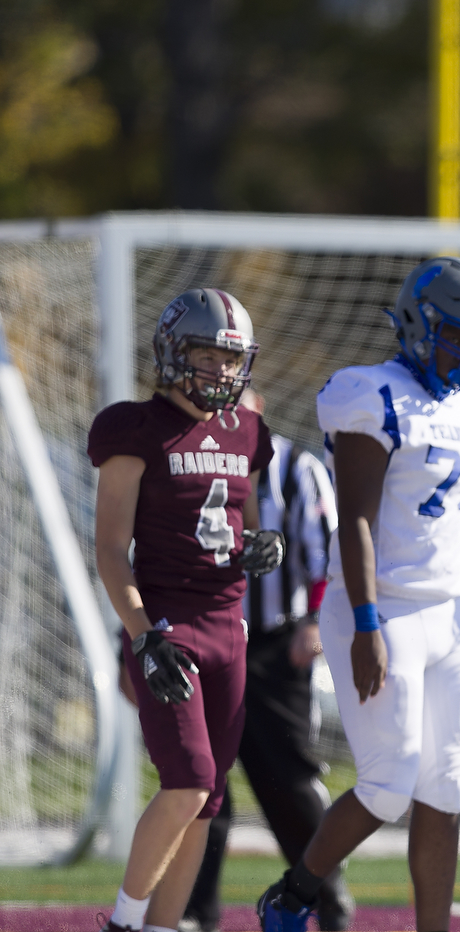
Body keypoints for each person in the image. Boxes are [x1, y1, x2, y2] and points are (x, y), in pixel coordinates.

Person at [257, 257, 460, 932]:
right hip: (382, 606)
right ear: (421, 325)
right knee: (389, 784)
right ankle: (293, 895)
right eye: (456, 338)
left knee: (445, 788)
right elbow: (355, 518)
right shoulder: (374, 393)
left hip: (446, 611)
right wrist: (365, 623)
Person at [90, 289, 281, 932]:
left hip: (231, 625)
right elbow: (112, 550)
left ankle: (162, 926)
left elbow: (246, 525)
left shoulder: (248, 430)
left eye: (232, 358)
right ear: (174, 353)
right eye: (208, 354)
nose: (222, 371)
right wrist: (143, 636)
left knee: (208, 799)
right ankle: (124, 921)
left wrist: (264, 545)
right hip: (168, 625)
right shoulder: (133, 428)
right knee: (190, 780)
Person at [180, 388, 353, 932]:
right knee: (202, 783)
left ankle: (326, 895)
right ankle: (195, 912)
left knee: (286, 779)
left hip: (277, 649)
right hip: (206, 642)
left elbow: (334, 551)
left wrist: (314, 625)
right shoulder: (187, 468)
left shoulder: (297, 469)